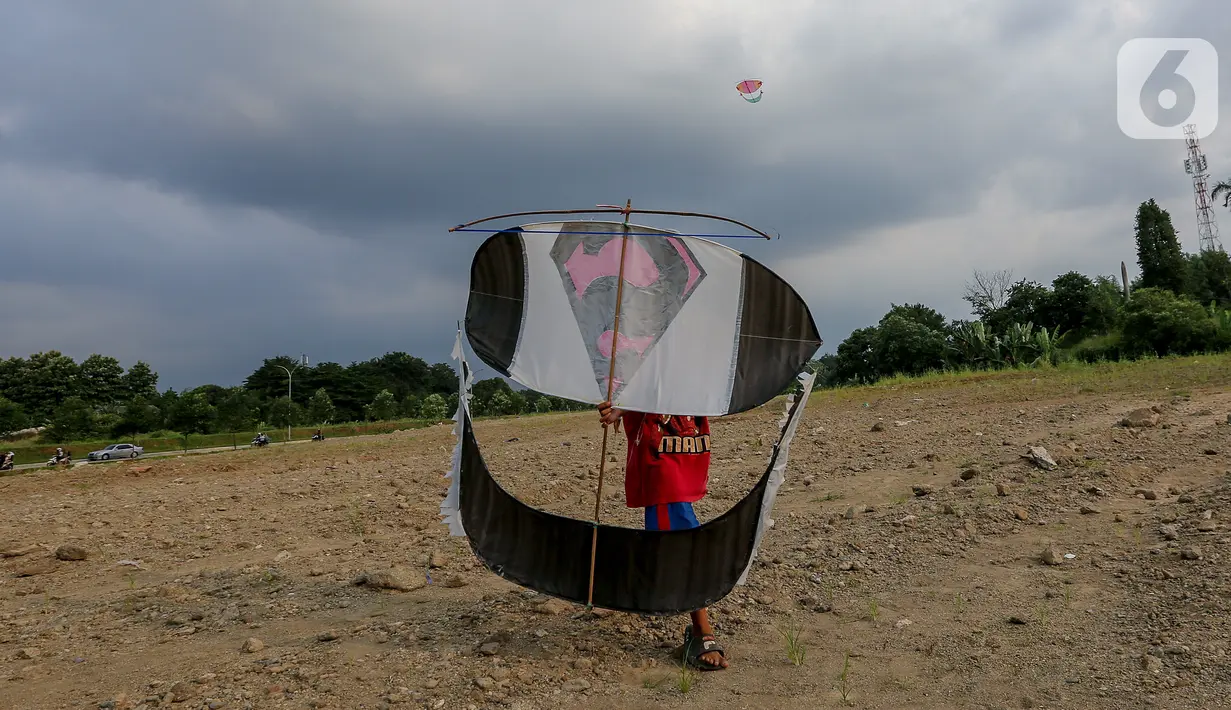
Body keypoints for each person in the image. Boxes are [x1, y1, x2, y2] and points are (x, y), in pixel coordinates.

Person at [598, 399, 728, 671]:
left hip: (683, 438)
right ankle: (701, 628)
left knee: (673, 531)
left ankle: (648, 592)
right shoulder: (641, 357)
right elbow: (638, 374)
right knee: (678, 531)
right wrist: (620, 406)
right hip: (659, 446)